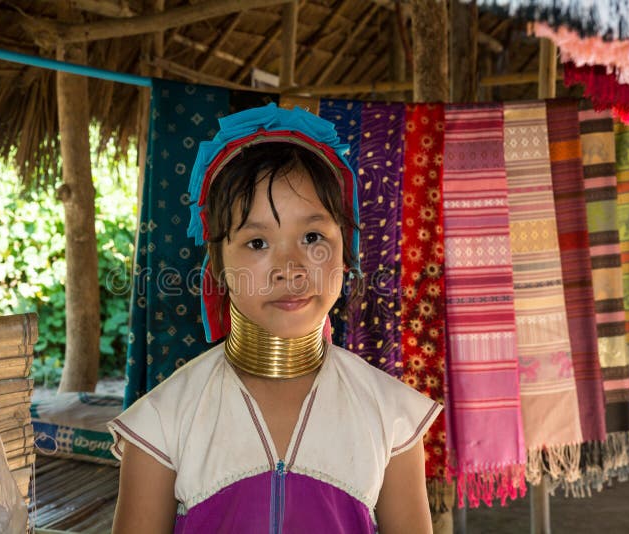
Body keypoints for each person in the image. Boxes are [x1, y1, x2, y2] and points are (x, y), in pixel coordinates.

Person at [109, 103, 441, 533]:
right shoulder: (163, 421)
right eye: (257, 242)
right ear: (219, 267)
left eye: (312, 237)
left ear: (346, 252)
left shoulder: (391, 415)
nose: (290, 266)